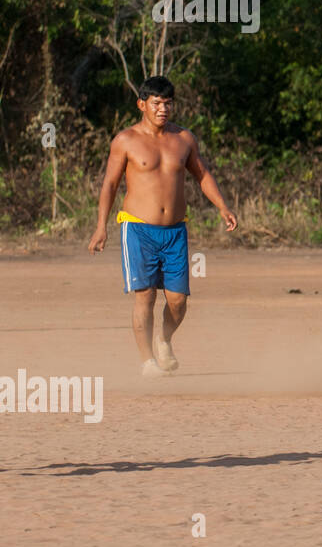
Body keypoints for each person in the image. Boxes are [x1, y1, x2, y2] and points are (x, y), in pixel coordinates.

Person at [87, 76, 238, 376]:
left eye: (168, 103)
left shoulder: (184, 139)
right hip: (138, 229)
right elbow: (110, 184)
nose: (163, 109)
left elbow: (202, 175)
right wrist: (100, 226)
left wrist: (223, 207)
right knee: (145, 295)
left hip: (175, 231)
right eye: (156, 103)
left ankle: (164, 340)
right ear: (142, 104)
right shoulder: (125, 140)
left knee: (178, 301)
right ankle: (147, 362)